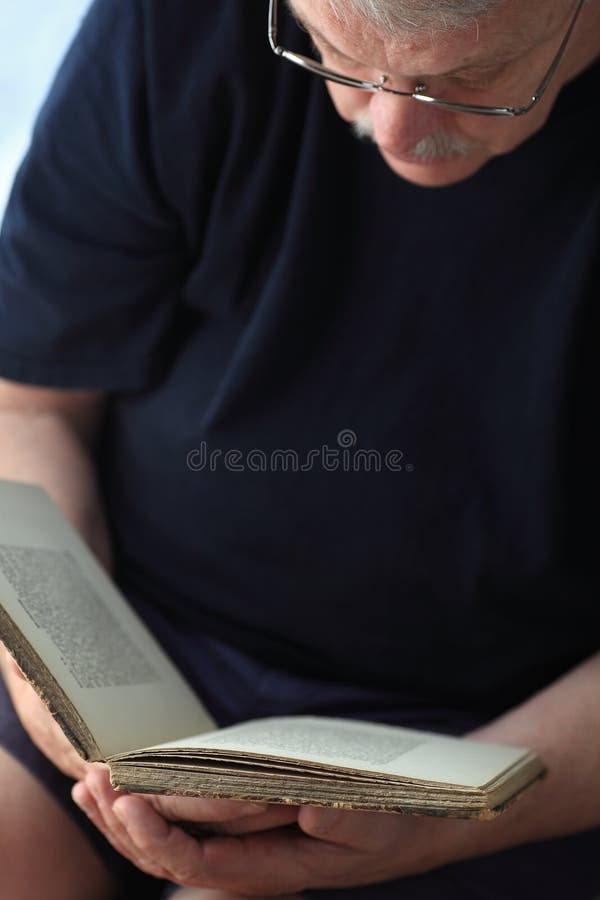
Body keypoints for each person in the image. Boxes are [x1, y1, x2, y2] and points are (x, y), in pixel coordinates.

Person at [0, 0, 598, 897]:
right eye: (340, 55)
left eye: (473, 79)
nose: (395, 127)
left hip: (510, 732)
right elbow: (30, 411)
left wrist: (440, 824)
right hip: (138, 636)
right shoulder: (179, 24)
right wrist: (58, 673)